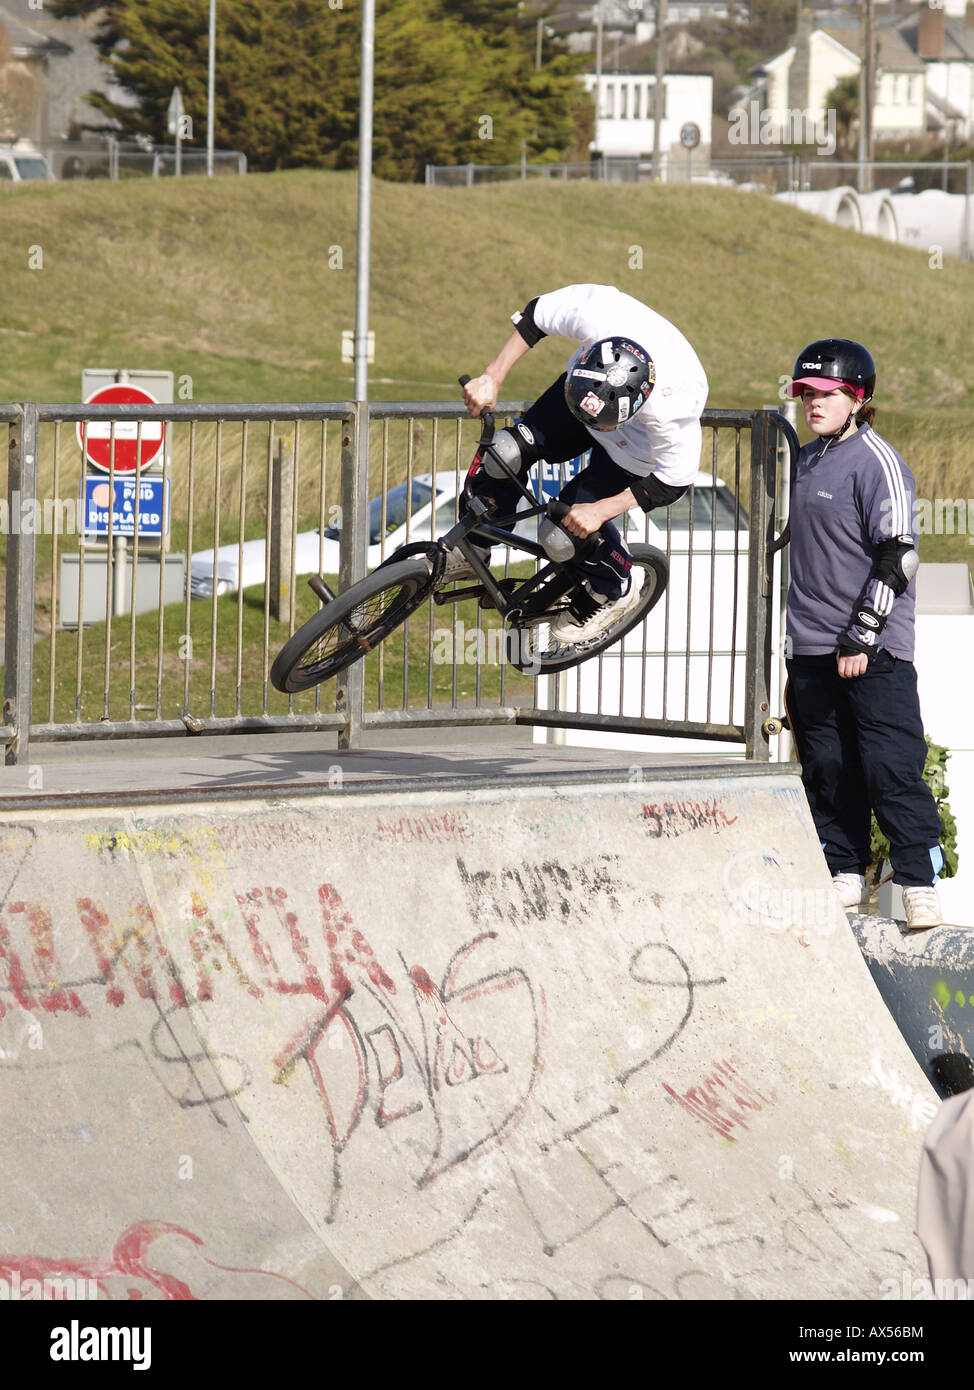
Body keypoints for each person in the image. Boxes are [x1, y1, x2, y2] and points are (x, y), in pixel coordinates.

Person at [783, 337, 944, 929]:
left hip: (872, 647)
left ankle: (919, 880)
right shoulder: (804, 461)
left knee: (890, 766)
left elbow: (900, 554)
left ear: (857, 397)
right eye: (805, 392)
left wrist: (862, 632)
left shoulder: (879, 462)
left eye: (825, 393)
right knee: (827, 765)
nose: (812, 402)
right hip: (812, 646)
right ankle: (843, 871)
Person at [455, 283, 709, 645]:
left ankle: (616, 587)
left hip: (631, 450)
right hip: (578, 394)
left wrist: (601, 510)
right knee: (503, 452)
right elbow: (535, 316)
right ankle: (475, 547)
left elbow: (674, 481)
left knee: (561, 535)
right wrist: (492, 377)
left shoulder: (671, 411)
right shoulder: (600, 313)